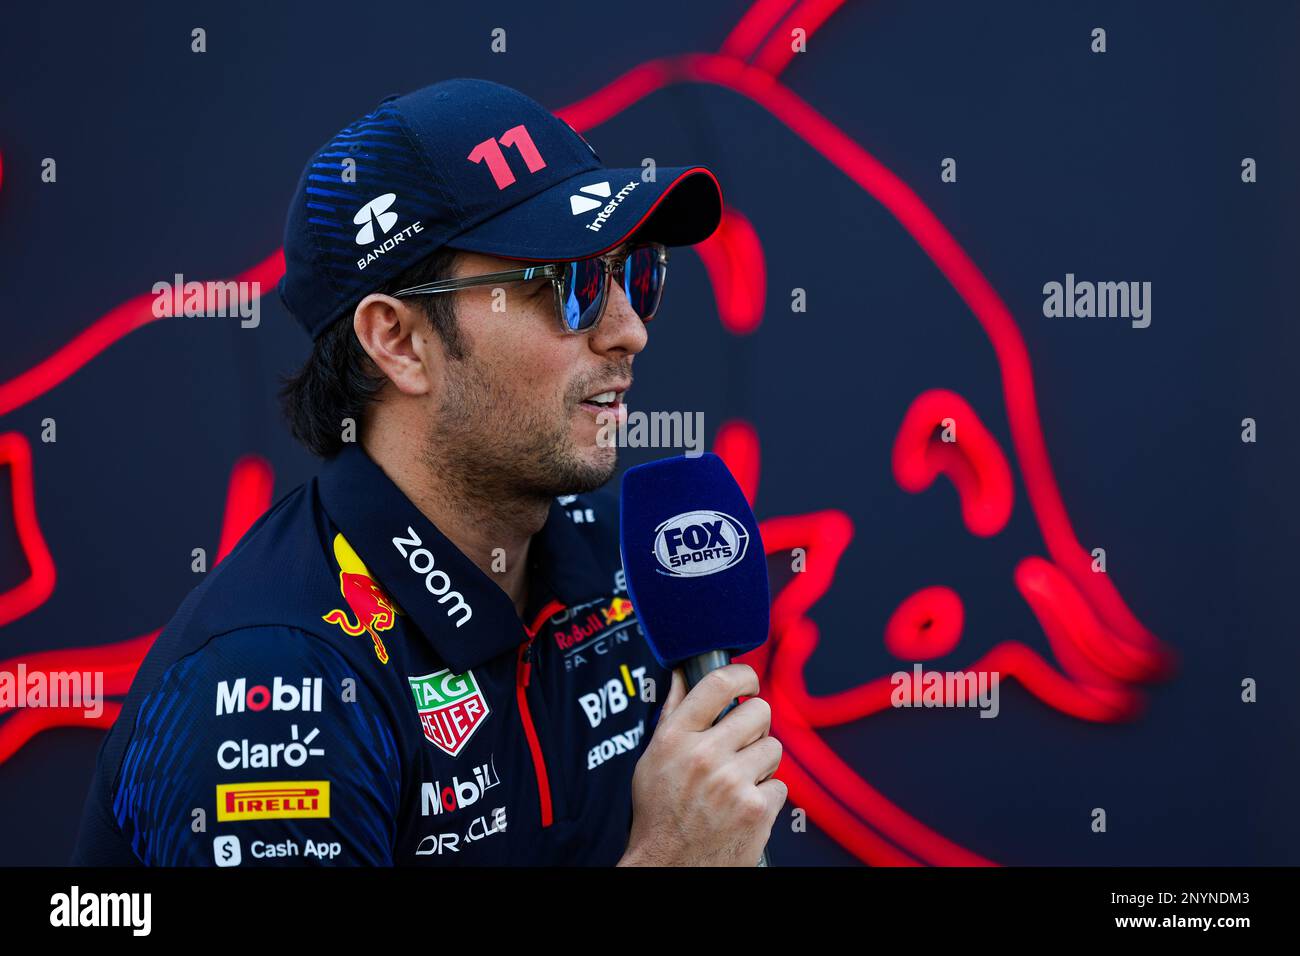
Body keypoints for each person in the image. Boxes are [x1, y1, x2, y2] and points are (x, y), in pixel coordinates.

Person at [71, 78, 784, 866]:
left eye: (633, 273)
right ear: (400, 342)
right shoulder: (272, 686)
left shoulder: (628, 564)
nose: (627, 331)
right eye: (568, 285)